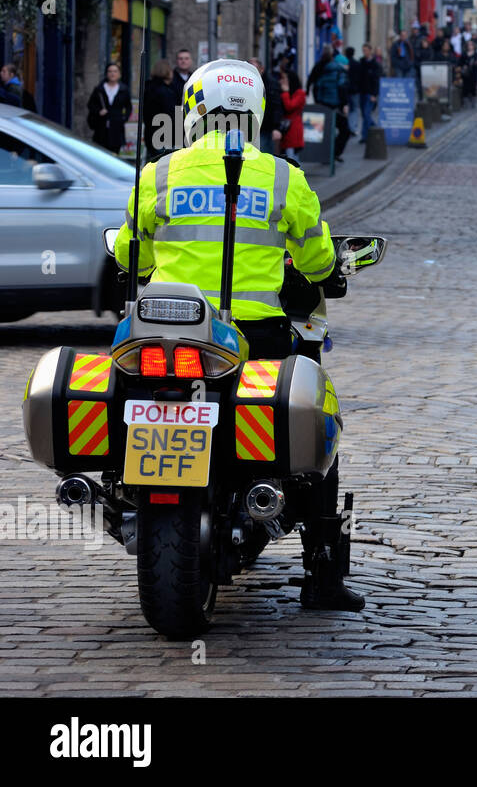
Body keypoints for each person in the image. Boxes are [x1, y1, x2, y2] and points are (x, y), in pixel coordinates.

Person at [111, 58, 362, 612]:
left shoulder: (158, 173)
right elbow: (319, 259)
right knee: (319, 420)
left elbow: (131, 253)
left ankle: (119, 487)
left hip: (167, 334)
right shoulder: (283, 178)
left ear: (191, 109)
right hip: (255, 338)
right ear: (257, 110)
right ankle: (322, 575)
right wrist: (324, 273)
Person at [311, 46, 352, 164]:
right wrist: (344, 104)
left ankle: (326, 154)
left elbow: (315, 85)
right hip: (335, 107)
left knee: (322, 132)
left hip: (322, 106)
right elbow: (342, 89)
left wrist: (317, 102)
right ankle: (334, 153)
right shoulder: (339, 72)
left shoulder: (321, 69)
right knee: (345, 130)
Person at [87, 62, 132, 155]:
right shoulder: (99, 89)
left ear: (119, 74)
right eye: (110, 71)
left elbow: (128, 107)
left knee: (114, 154)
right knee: (100, 154)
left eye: (115, 71)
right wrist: (99, 112)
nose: (112, 74)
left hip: (116, 128)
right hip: (101, 128)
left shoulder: (124, 89)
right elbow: (90, 104)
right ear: (106, 73)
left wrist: (123, 118)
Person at [141, 60, 176, 160]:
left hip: (150, 134)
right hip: (164, 136)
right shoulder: (166, 92)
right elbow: (172, 116)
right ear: (167, 72)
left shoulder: (148, 88)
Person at [278, 69, 306, 166]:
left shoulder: (300, 93)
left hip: (293, 128)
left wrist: (285, 92)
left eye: (284, 78)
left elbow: (290, 106)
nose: (282, 81)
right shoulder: (283, 91)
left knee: (292, 158)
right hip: (285, 128)